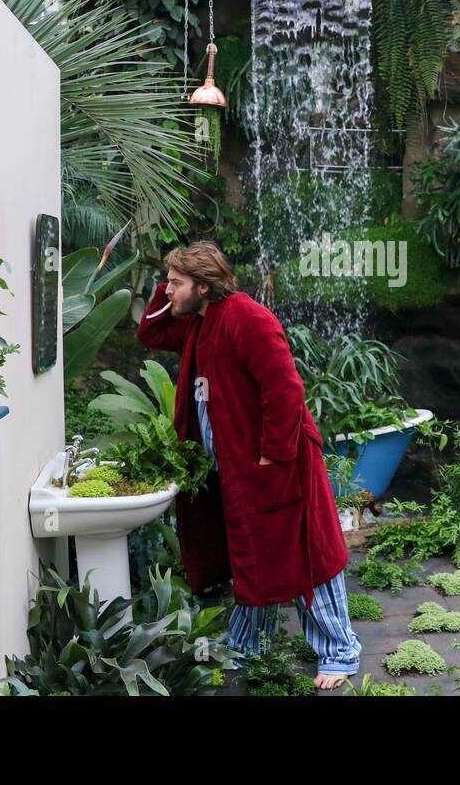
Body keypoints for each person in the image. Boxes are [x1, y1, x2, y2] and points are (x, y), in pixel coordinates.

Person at [135, 240, 361, 690]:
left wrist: (272, 455)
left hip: (278, 461)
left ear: (203, 286)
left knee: (306, 554)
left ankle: (340, 652)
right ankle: (248, 643)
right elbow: (151, 334)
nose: (168, 290)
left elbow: (285, 389)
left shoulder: (247, 318)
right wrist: (169, 288)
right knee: (254, 551)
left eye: (176, 283)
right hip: (237, 466)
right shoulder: (201, 321)